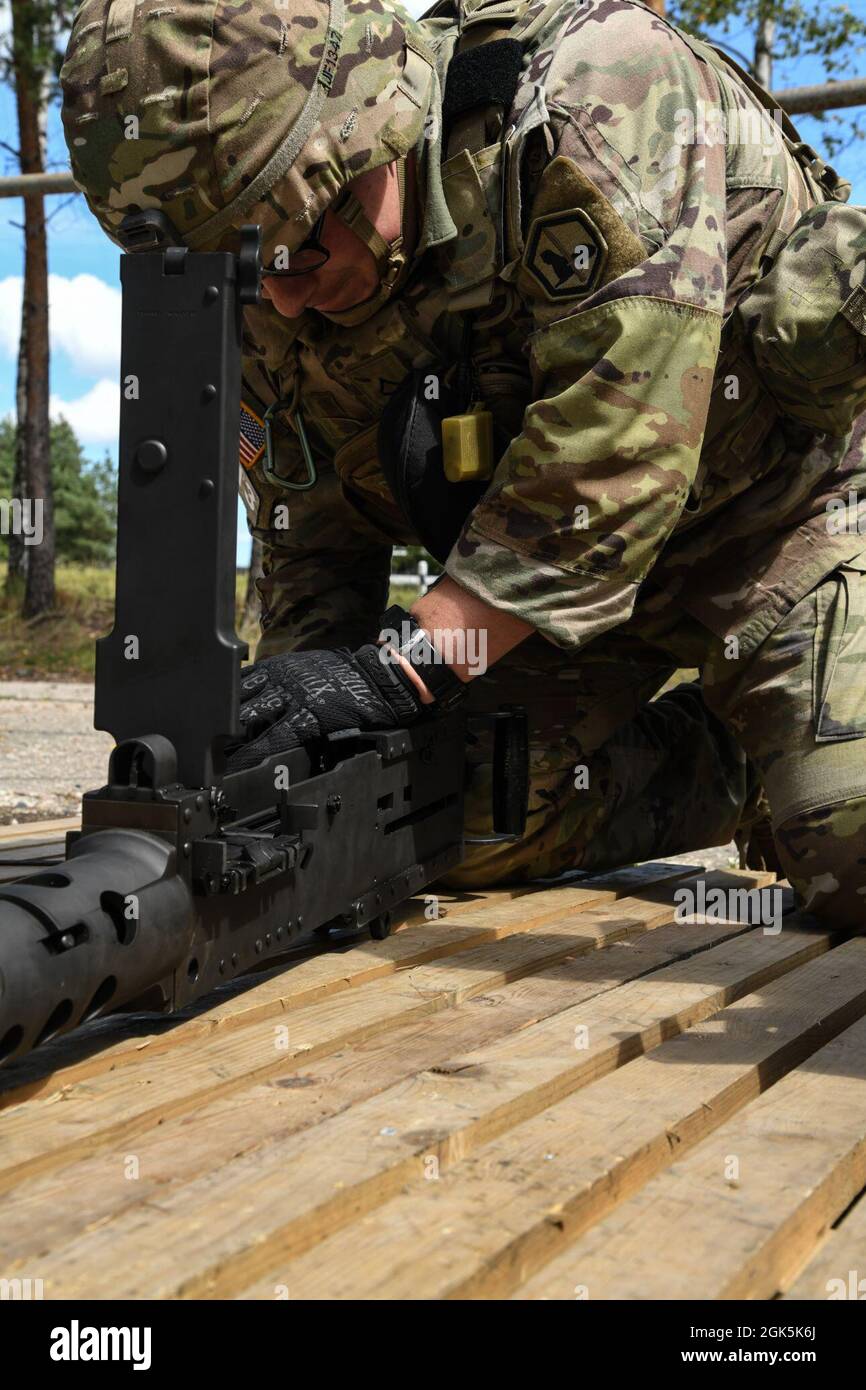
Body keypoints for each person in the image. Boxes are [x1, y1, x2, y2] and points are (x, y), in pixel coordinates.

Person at [60, 0, 866, 923]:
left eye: (294, 242)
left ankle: (801, 727)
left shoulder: (594, 93)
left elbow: (616, 450)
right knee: (436, 815)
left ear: (373, 126)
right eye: (246, 268)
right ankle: (734, 750)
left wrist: (401, 673)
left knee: (849, 847)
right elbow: (311, 528)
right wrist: (289, 748)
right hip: (542, 598)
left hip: (786, 514)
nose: (281, 300)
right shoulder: (279, 276)